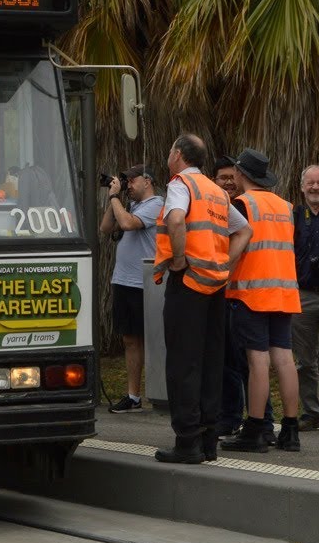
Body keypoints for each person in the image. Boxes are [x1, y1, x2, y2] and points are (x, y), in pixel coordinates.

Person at [152, 134, 252, 464]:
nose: (168, 156)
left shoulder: (181, 185)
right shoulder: (215, 190)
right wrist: (224, 264)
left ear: (178, 154)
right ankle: (209, 440)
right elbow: (244, 231)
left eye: (170, 150)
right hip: (215, 286)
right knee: (210, 360)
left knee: (183, 362)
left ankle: (187, 443)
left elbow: (176, 218)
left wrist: (179, 260)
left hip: (189, 283)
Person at [219, 149, 301, 452]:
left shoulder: (242, 204)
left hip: (252, 292)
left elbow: (233, 244)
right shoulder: (286, 206)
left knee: (257, 361)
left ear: (241, 175)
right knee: (284, 358)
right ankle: (290, 431)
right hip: (284, 291)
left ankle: (254, 429)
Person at [214, 155, 274, 440]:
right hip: (231, 292)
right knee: (233, 361)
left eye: (231, 176)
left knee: (250, 361)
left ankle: (259, 421)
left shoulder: (244, 206)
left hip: (243, 293)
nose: (228, 181)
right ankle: (233, 418)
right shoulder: (218, 207)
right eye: (222, 177)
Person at [99, 164, 164, 413]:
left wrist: (116, 197)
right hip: (123, 281)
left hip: (144, 283)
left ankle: (162, 393)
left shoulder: (156, 204)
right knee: (130, 340)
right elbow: (106, 228)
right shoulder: (132, 205)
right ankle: (133, 396)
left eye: (131, 181)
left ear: (147, 181)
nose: (129, 186)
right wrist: (112, 199)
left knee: (153, 340)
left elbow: (127, 224)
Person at [293, 164, 319, 432]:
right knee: (305, 361)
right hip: (302, 295)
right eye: (311, 183)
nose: (316, 187)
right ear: (302, 186)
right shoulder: (292, 216)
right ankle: (312, 413)